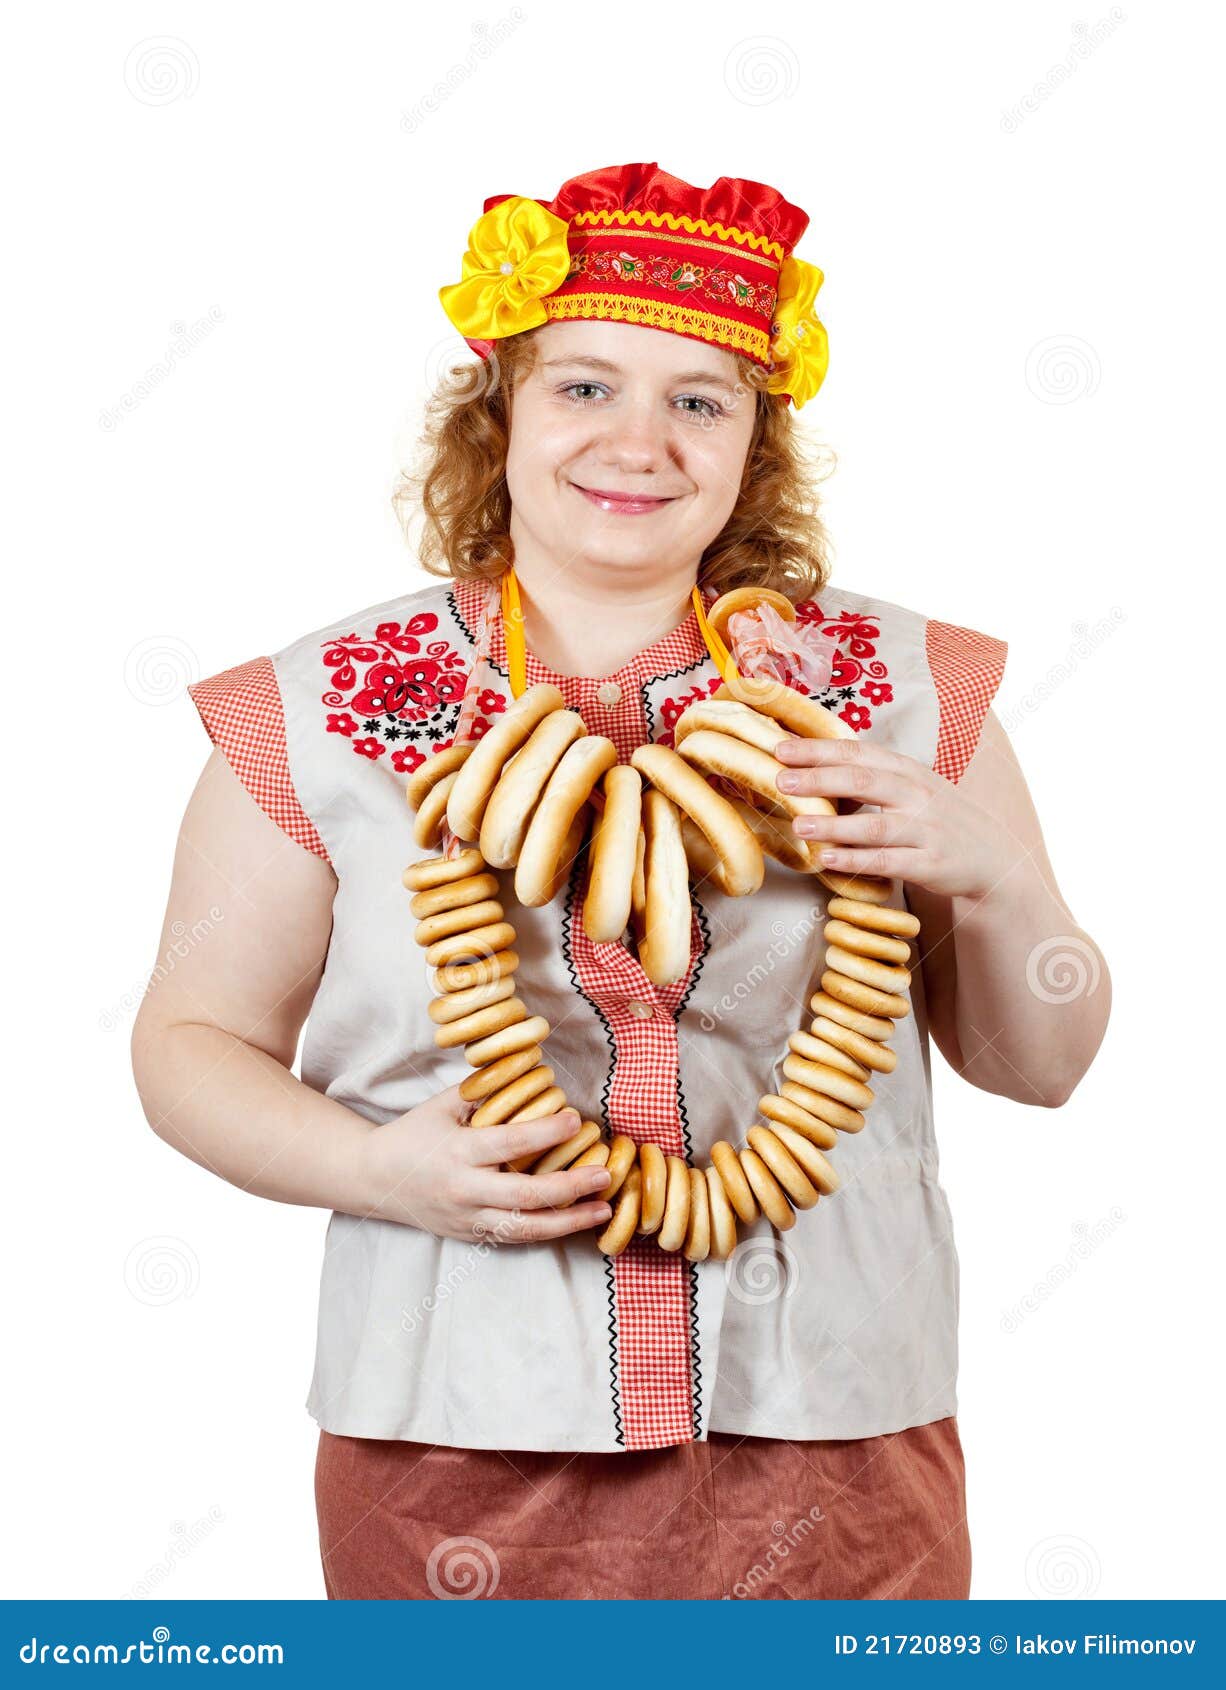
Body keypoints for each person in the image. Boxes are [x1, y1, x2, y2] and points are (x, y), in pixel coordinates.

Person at [130, 161, 1110, 1601]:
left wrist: (996, 877)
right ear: (501, 414)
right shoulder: (317, 711)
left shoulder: (902, 696)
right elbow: (186, 1045)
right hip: (454, 1435)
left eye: (697, 399)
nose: (637, 442)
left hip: (837, 1428)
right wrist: (373, 1167)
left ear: (752, 440)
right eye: (583, 387)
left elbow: (1043, 1064)